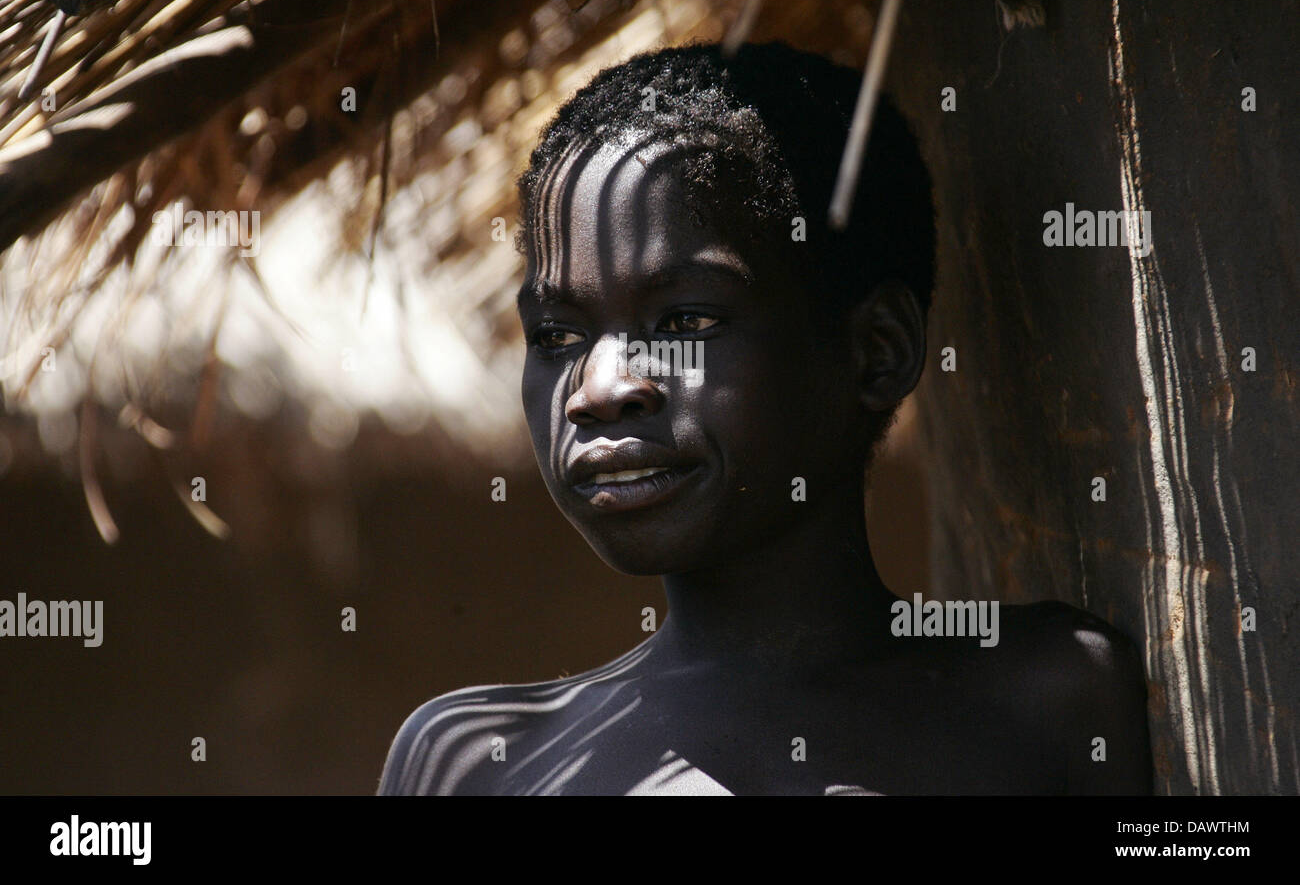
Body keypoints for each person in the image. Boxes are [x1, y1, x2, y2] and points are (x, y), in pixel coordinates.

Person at [378, 41, 1152, 795]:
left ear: (877, 353)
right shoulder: (476, 763)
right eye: (557, 335)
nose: (600, 387)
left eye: (684, 322)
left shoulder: (1051, 700)